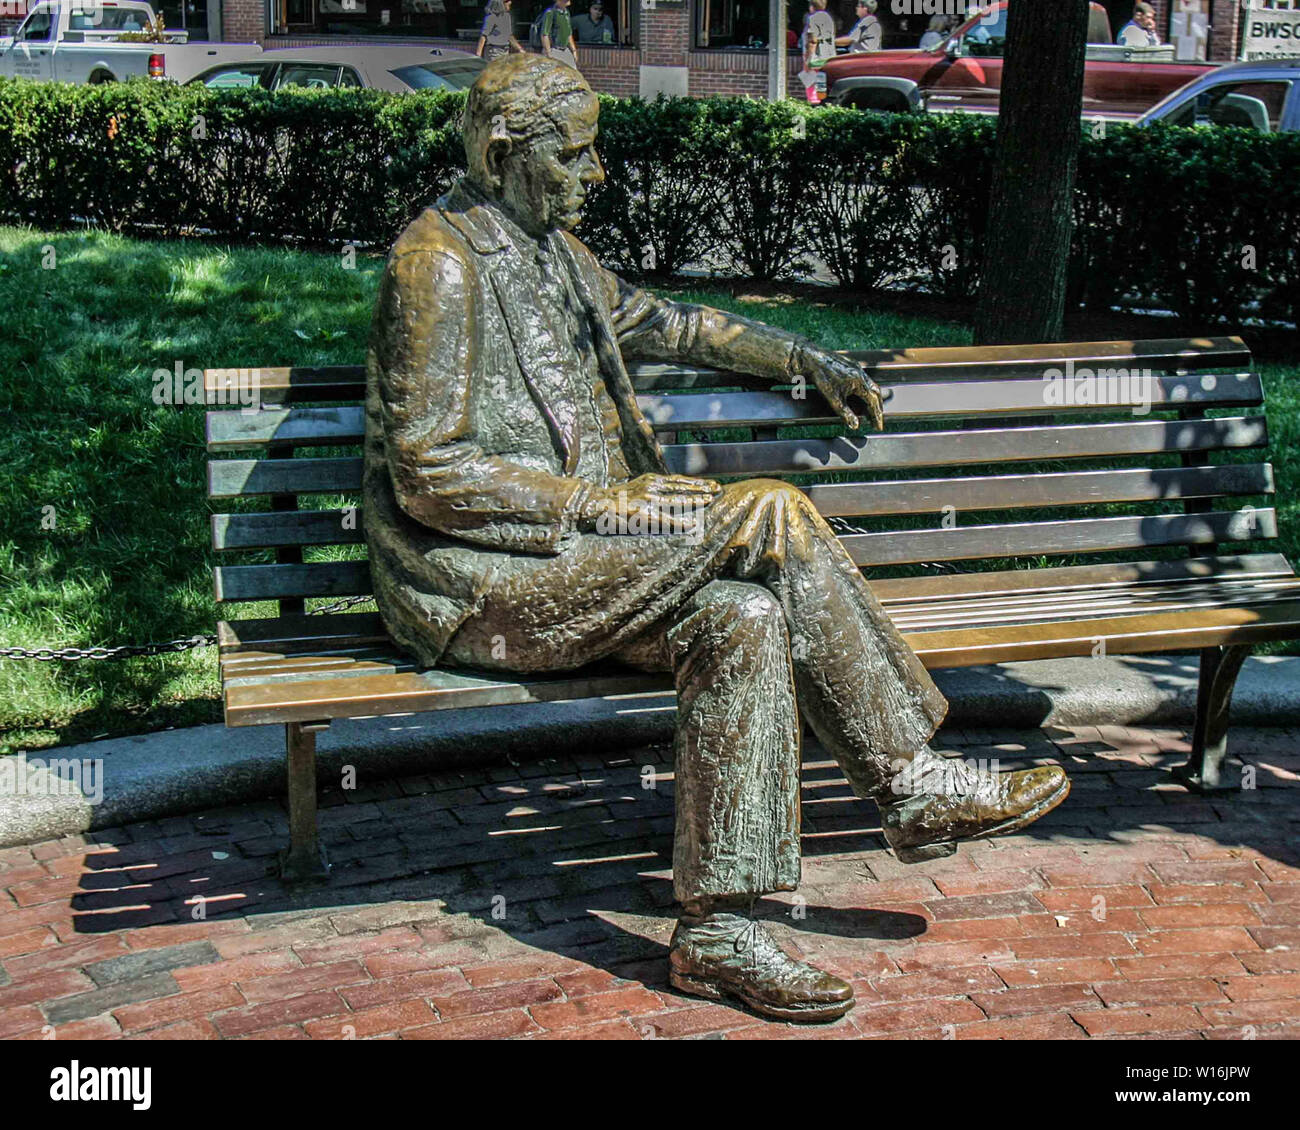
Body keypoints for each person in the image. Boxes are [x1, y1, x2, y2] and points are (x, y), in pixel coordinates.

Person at [365, 54, 1070, 1023]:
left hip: (585, 566)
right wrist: (593, 506)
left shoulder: (559, 255)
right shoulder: (437, 262)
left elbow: (673, 323)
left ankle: (717, 931)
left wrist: (795, 356)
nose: (596, 174)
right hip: (484, 580)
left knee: (740, 617)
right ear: (501, 156)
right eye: (574, 156)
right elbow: (428, 471)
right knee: (770, 513)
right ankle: (910, 781)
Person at [801, 0, 836, 104]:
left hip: (816, 58)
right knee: (822, 88)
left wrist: (808, 60)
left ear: (812, 6)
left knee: (811, 87)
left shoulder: (813, 18)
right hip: (828, 57)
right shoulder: (828, 19)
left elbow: (812, 40)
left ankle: (814, 108)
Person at [539, 0, 579, 70]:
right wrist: (548, 53)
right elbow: (545, 34)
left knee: (572, 73)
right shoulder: (550, 12)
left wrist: (574, 50)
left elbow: (569, 33)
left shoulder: (566, 13)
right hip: (554, 49)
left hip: (565, 49)